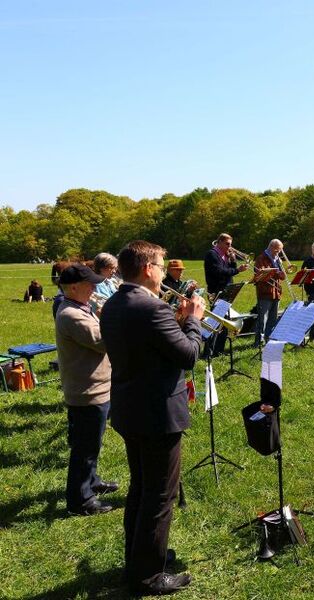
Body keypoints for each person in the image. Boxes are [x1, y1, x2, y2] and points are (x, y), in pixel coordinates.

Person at [100, 240, 203, 596]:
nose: (162, 273)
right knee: (160, 496)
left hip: (130, 408)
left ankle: (140, 557)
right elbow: (188, 356)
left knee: (141, 489)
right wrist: (194, 321)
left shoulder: (114, 304)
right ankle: (147, 576)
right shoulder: (152, 307)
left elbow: (150, 347)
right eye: (160, 266)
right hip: (157, 413)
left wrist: (178, 322)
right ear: (147, 269)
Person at [55, 264, 118, 516]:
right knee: (85, 449)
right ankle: (80, 500)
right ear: (72, 288)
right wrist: (111, 318)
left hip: (95, 388)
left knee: (92, 444)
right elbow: (103, 342)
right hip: (87, 392)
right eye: (89, 284)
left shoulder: (80, 308)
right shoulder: (71, 315)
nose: (94, 288)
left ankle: (91, 481)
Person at [204, 234, 247, 355]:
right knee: (215, 322)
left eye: (230, 244)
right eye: (227, 244)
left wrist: (233, 260)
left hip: (226, 290)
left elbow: (229, 272)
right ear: (219, 242)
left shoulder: (225, 255)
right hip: (216, 291)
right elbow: (219, 272)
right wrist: (238, 270)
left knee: (225, 321)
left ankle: (219, 350)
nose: (230, 247)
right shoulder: (212, 254)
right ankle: (208, 352)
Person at [254, 239, 287, 346]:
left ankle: (269, 340)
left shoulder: (277, 259)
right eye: (277, 250)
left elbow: (282, 277)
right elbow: (260, 274)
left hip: (276, 292)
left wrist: (282, 273)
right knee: (262, 319)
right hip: (265, 292)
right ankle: (258, 343)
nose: (278, 253)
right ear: (271, 247)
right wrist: (275, 272)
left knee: (273, 319)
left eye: (280, 250)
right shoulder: (261, 258)